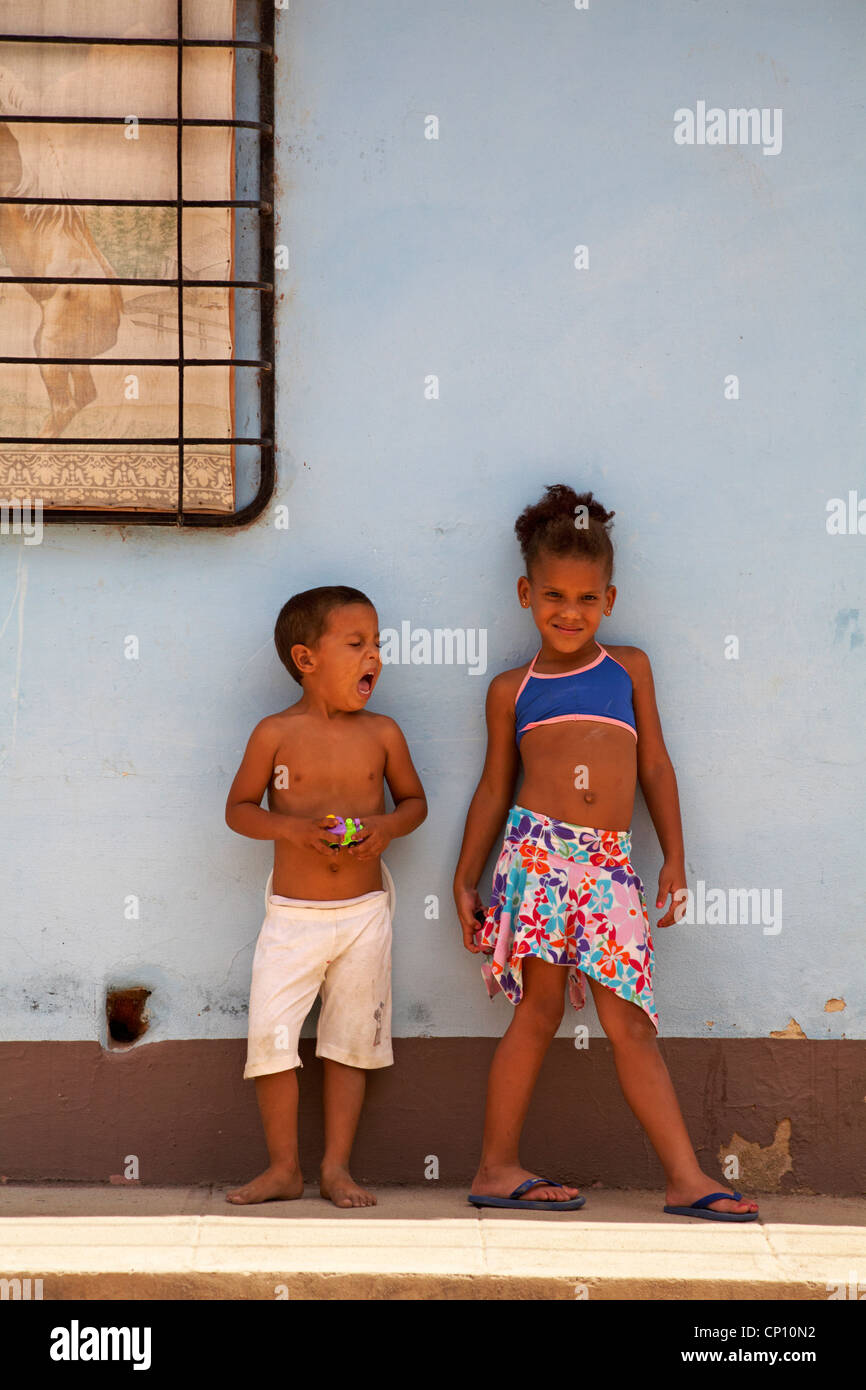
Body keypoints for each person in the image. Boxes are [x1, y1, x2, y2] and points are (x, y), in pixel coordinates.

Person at [453, 486, 759, 1221]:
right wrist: (465, 878)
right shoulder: (510, 690)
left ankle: (686, 1178)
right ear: (526, 592)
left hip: (612, 867)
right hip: (536, 859)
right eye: (553, 595)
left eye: (587, 598)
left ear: (610, 599)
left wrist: (674, 859)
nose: (569, 611)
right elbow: (495, 788)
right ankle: (495, 1167)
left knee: (631, 1022)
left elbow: (655, 766)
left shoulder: (630, 670)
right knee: (538, 1013)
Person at [225, 585, 426, 1208]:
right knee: (273, 1038)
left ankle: (336, 1168)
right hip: (293, 918)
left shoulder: (383, 733)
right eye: (357, 644)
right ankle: (283, 1168)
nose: (375, 657)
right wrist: (291, 829)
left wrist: (386, 829)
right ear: (306, 659)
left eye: (377, 644)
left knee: (349, 1042)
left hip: (365, 915)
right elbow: (238, 810)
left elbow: (414, 803)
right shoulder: (274, 734)